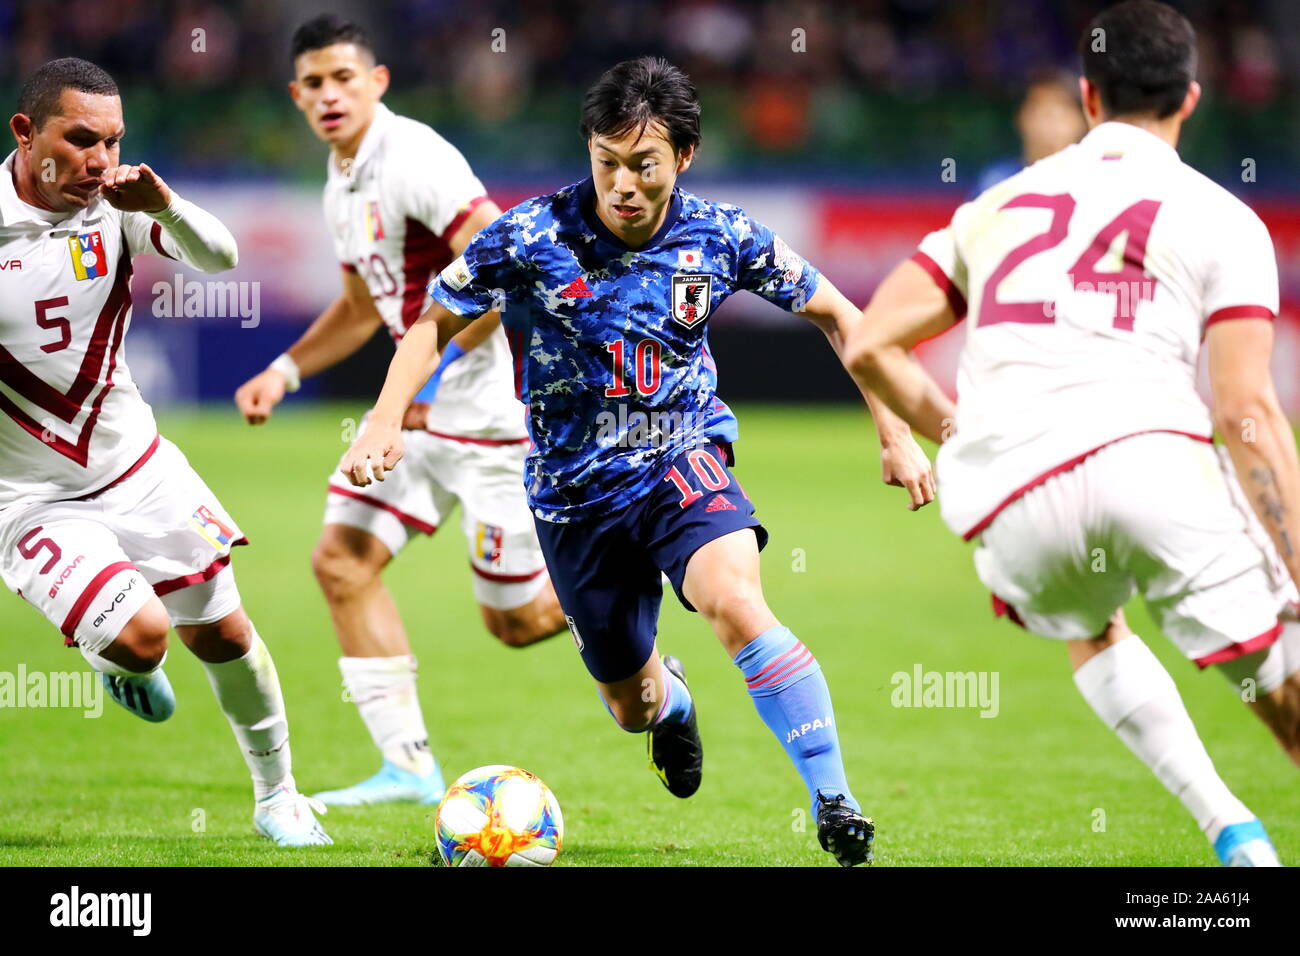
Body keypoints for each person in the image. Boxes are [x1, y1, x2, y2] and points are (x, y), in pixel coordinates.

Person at [340, 56, 936, 866]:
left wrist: (894, 431)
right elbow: (432, 322)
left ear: (683, 157)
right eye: (606, 162)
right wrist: (383, 417)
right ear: (588, 148)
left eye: (643, 165)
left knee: (734, 599)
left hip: (679, 458)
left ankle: (835, 798)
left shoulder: (721, 236)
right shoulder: (529, 234)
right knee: (631, 705)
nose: (622, 184)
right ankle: (675, 703)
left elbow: (841, 316)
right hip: (572, 497)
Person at [847, 0, 1295, 866]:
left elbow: (871, 342)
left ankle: (1231, 830)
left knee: (1091, 622)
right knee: (1284, 695)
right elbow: (1245, 411)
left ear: (1087, 96)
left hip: (1017, 497)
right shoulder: (1223, 218)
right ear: (1192, 100)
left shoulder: (996, 205)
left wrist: (961, 432)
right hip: (1152, 463)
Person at [233, 16, 567, 808]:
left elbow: (503, 271)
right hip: (410, 419)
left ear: (377, 82)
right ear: (295, 97)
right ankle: (409, 767)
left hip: (488, 420)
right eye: (312, 83)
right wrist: (283, 370)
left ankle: (628, 592)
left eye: (343, 78)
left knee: (515, 624)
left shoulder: (415, 158)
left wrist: (416, 387)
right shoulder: (339, 179)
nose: (328, 95)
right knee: (341, 561)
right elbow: (358, 306)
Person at [0, 57, 329, 846]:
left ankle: (279, 796)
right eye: (80, 140)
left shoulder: (116, 204)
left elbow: (220, 259)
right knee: (143, 641)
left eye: (112, 141)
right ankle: (118, 654)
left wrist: (167, 205)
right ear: (24, 132)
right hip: (27, 495)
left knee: (222, 631)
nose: (99, 160)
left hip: (134, 463)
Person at [971, 71, 1086, 195]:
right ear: (1020, 118)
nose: (1051, 125)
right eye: (1042, 113)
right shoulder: (996, 181)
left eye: (1060, 114)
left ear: (1082, 122)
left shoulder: (1095, 180)